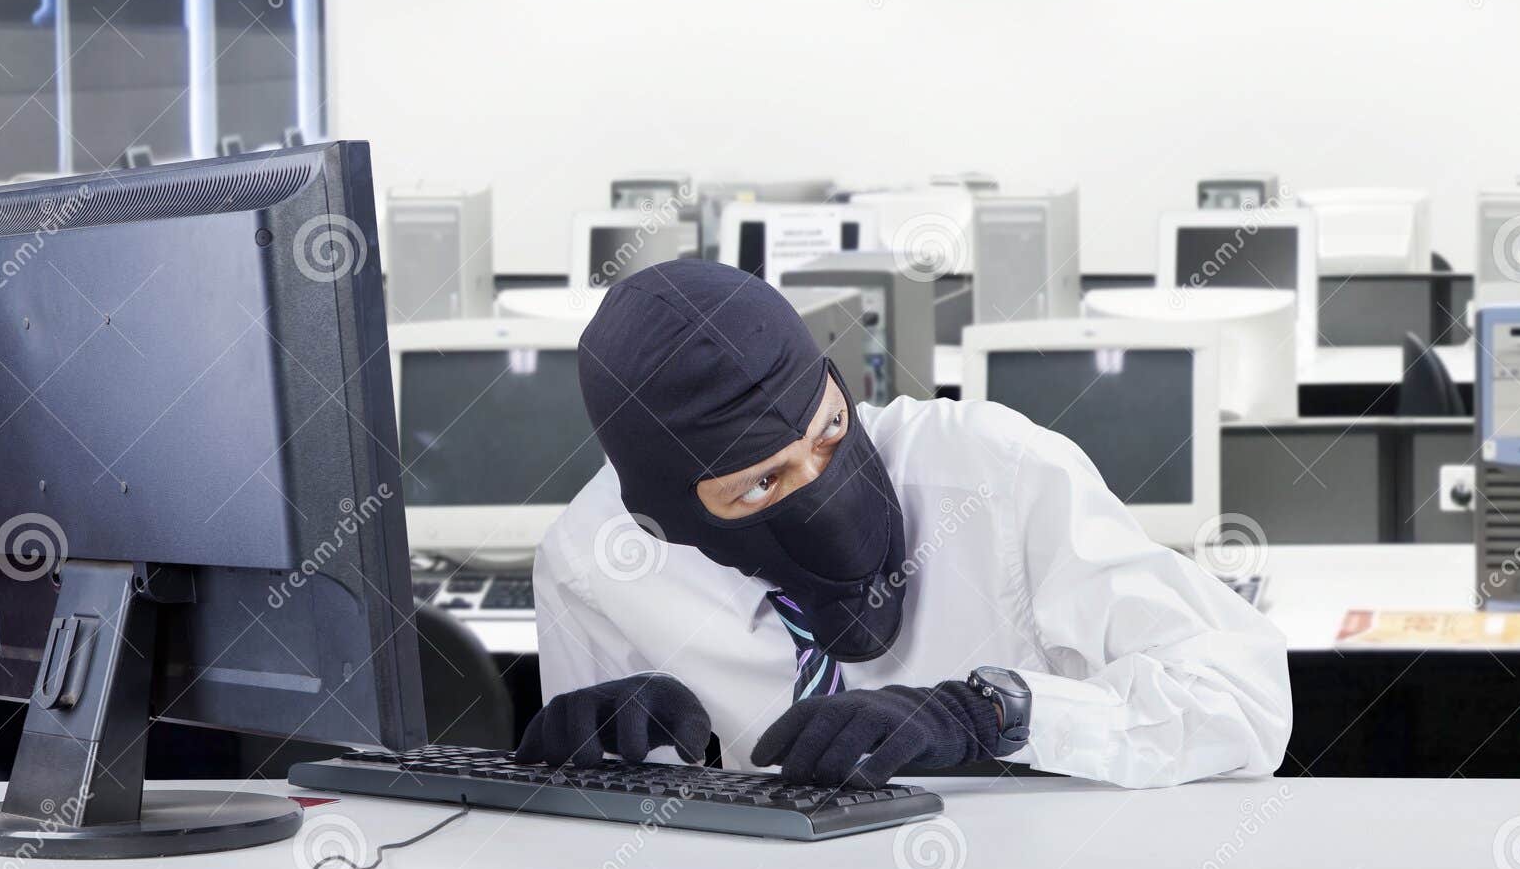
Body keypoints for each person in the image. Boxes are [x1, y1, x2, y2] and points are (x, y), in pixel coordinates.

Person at [521, 259, 1291, 788]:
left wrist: (992, 713)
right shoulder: (594, 566)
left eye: (829, 430)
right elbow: (622, 858)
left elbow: (1246, 695)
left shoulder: (993, 471)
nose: (820, 487)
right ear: (663, 518)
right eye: (761, 482)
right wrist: (604, 768)